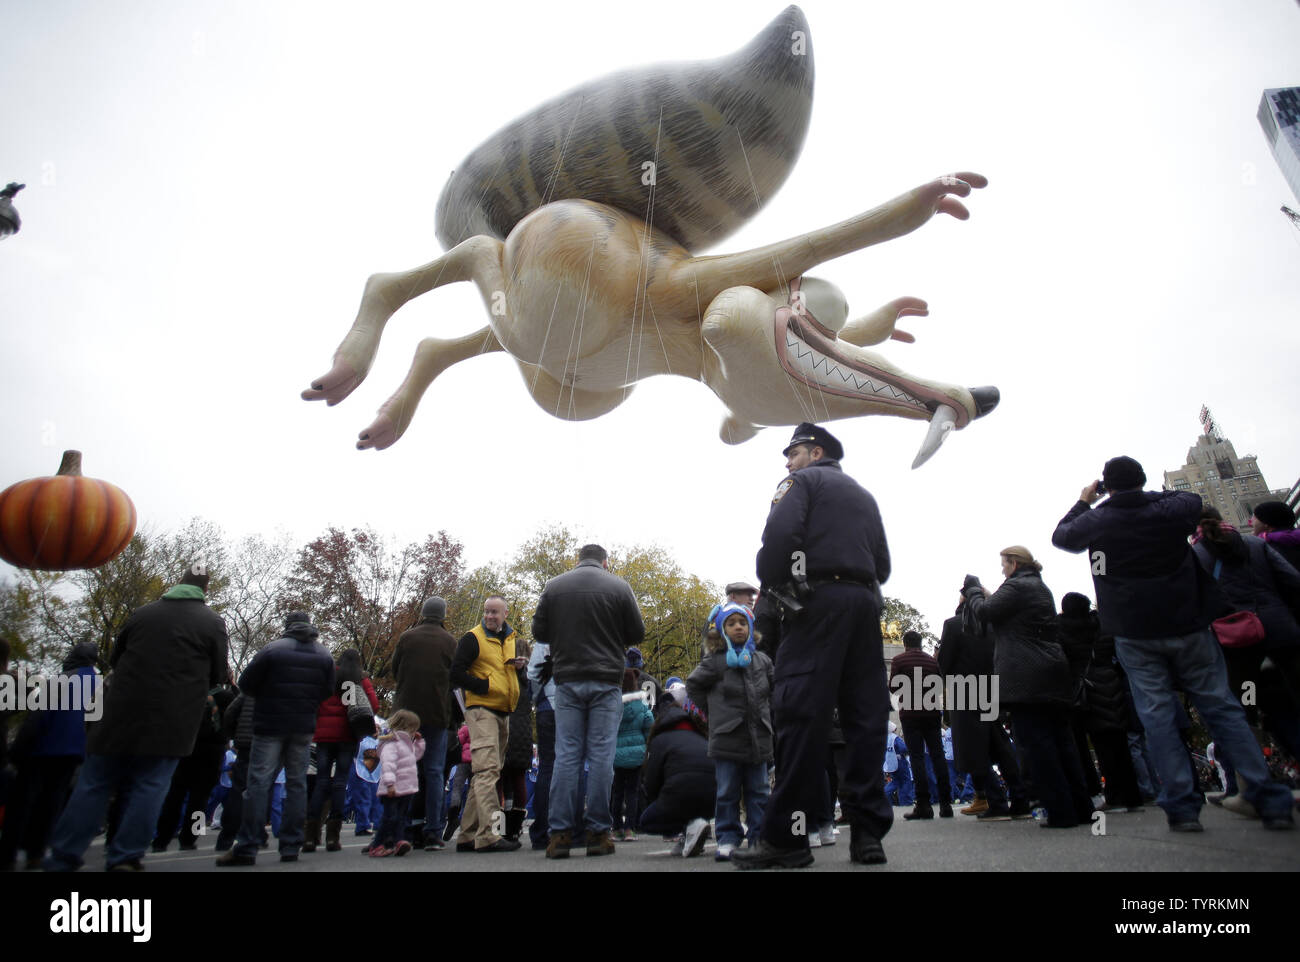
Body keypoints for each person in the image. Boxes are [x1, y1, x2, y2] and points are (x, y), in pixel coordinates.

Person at [1051, 455, 1295, 830]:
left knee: (1157, 716)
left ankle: (1182, 807)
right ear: (1143, 480)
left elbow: (1062, 536)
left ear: (1106, 485)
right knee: (1223, 707)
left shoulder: (1099, 518)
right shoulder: (1168, 511)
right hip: (1189, 622)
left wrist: (1086, 500)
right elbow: (1192, 501)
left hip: (1134, 631)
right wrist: (1144, 493)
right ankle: (1266, 796)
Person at [733, 422, 892, 869]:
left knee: (801, 716)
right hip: (863, 605)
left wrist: (777, 579)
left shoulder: (800, 483)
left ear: (816, 451)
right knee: (865, 718)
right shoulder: (863, 495)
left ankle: (789, 838)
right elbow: (882, 563)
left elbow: (780, 539)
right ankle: (866, 836)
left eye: (794, 451)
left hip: (816, 604)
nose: (787, 461)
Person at [44, 563, 228, 872]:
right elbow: (218, 674)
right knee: (151, 784)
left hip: (119, 714)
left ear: (177, 582)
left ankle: (63, 855)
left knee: (94, 784)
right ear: (205, 589)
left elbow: (117, 657)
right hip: (171, 718)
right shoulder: (211, 622)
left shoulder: (143, 613)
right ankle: (126, 856)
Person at [963, 548, 1093, 828]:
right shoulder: (1038, 586)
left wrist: (973, 592)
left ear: (1014, 563)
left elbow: (985, 612)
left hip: (1026, 676)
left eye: (1004, 564)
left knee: (1037, 746)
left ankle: (1060, 811)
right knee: (1062, 743)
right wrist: (991, 595)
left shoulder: (1017, 585)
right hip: (1051, 671)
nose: (1002, 570)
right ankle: (1081, 807)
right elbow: (1008, 611)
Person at [533, 544, 646, 859]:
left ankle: (560, 835)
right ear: (605, 562)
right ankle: (598, 832)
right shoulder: (619, 587)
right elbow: (637, 631)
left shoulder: (554, 586)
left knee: (566, 755)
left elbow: (539, 630)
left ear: (578, 560)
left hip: (567, 680)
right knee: (601, 756)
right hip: (606, 680)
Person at [217, 611, 335, 866]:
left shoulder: (271, 650)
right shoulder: (324, 654)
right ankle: (292, 844)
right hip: (303, 726)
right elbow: (328, 690)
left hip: (270, 723)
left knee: (259, 782)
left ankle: (248, 845)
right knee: (297, 784)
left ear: (287, 626)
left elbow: (246, 685)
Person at [1191, 509, 1300, 762]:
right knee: (1295, 690)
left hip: (1239, 640)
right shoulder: (1255, 543)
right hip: (1280, 629)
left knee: (1245, 701)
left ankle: (1255, 775)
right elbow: (1293, 580)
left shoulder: (1196, 555)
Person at [0, 642, 99, 871]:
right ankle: (37, 851)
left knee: (22, 803)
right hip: (73, 750)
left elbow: (39, 717)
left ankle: (8, 854)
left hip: (42, 749)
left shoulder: (63, 680)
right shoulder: (98, 683)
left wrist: (18, 749)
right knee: (51, 804)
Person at [687, 603, 774, 860]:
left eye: (743, 623)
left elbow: (773, 689)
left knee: (759, 792)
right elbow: (693, 686)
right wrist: (712, 714)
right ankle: (727, 837)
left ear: (751, 627)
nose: (738, 627)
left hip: (758, 737)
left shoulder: (762, 661)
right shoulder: (714, 662)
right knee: (727, 792)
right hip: (727, 738)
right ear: (722, 629)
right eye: (732, 623)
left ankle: (759, 836)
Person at [450, 595, 524, 853]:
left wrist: (519, 669)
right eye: (487, 612)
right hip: (482, 710)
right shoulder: (473, 638)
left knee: (487, 771)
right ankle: (490, 835)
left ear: (505, 613)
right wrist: (483, 686)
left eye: (495, 612)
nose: (490, 616)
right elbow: (455, 672)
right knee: (488, 771)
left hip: (503, 711)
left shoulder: (510, 639)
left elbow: (504, 672)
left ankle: (468, 834)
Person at [1057, 592, 1144, 812]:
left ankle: (1113, 796)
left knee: (1098, 746)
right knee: (1119, 743)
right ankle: (1133, 796)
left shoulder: (1064, 629)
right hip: (1111, 684)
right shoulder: (1102, 626)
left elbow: (1061, 658)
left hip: (1086, 688)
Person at [392, 595, 458, 850]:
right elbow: (455, 679)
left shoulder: (407, 638)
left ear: (422, 613)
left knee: (403, 769)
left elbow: (395, 669)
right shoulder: (450, 642)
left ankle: (401, 828)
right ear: (443, 616)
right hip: (436, 714)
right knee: (433, 772)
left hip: (406, 715)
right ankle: (433, 830)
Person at [305, 648, 380, 853]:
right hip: (347, 737)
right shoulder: (358, 680)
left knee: (321, 782)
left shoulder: (326, 678)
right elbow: (373, 706)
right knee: (340, 783)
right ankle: (332, 836)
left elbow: (313, 703)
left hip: (322, 737)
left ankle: (310, 835)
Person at [637, 699, 717, 857]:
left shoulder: (660, 740)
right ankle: (695, 826)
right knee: (687, 800)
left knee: (646, 821)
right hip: (712, 801)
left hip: (679, 796)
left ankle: (687, 828)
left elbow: (651, 783)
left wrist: (658, 800)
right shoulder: (701, 736)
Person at [890, 630, 953, 819]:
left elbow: (893, 686)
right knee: (938, 756)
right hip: (932, 713)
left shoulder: (899, 661)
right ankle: (945, 803)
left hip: (910, 714)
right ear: (921, 642)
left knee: (916, 758)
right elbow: (940, 681)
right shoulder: (932, 661)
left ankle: (924, 804)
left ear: (905, 643)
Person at [368, 710, 426, 857]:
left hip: (406, 788)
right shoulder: (391, 744)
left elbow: (415, 756)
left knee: (401, 817)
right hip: (392, 788)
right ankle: (379, 844)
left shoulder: (407, 745)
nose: (415, 732)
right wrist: (389, 783)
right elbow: (388, 765)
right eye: (414, 729)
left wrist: (419, 742)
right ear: (407, 728)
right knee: (390, 817)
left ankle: (398, 840)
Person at [611, 669, 654, 842]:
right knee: (633, 792)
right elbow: (649, 725)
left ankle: (616, 828)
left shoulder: (613, 706)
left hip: (617, 754)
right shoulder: (641, 705)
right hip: (637, 754)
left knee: (617, 792)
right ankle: (630, 828)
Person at [526, 639, 558, 850]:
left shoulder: (548, 634)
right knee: (572, 764)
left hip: (549, 704)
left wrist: (536, 698)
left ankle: (543, 830)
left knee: (547, 766)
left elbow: (534, 673)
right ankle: (571, 827)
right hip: (577, 705)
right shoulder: (584, 624)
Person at [1250, 501, 1300, 571]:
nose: (1251, 521)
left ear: (1265, 522)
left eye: (1255, 517)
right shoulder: (1293, 540)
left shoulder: (1269, 549)